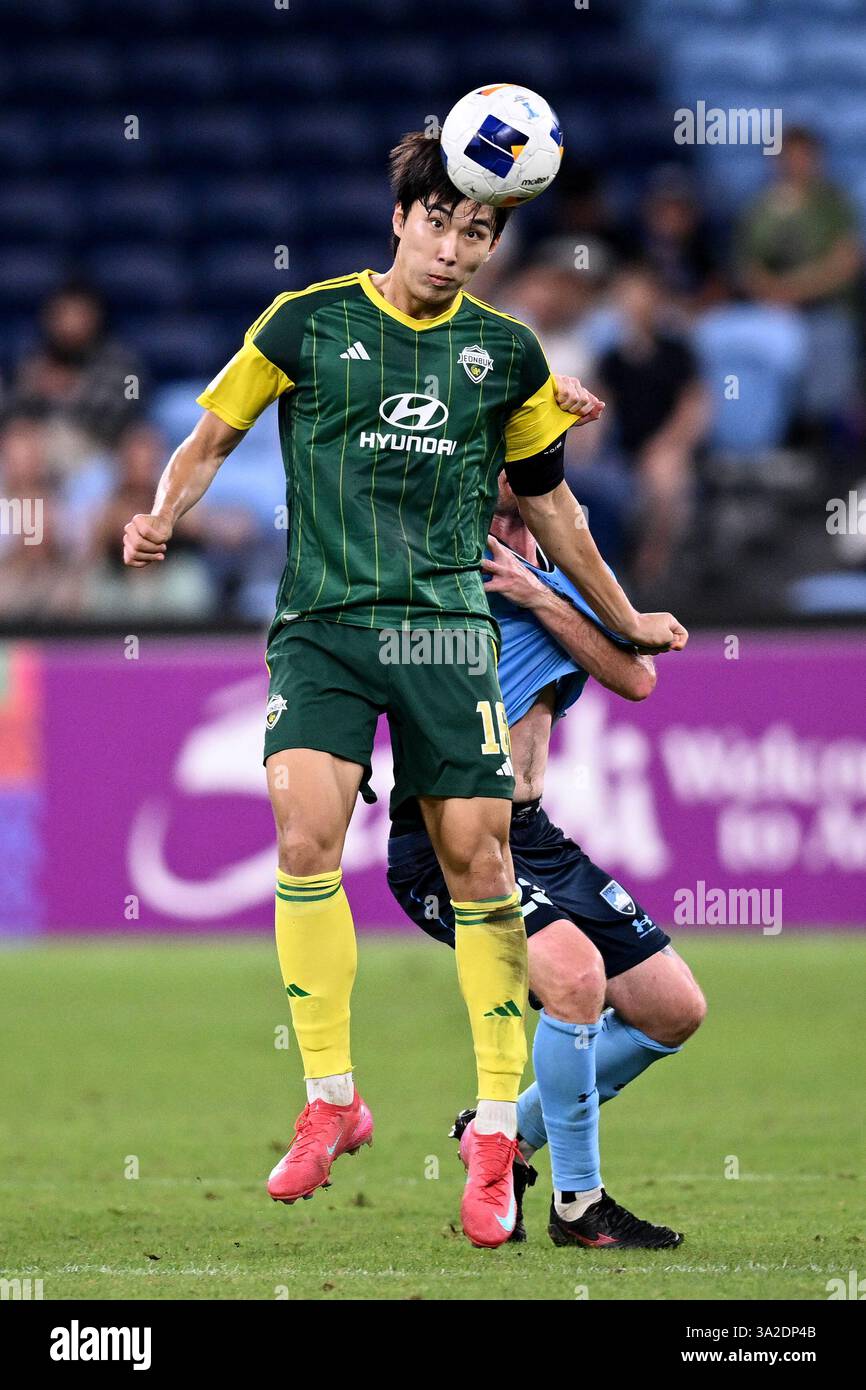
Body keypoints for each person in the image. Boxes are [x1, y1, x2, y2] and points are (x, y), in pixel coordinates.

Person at [122, 132, 687, 1249]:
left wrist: (622, 616)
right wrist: (162, 513)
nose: (452, 245)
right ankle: (331, 1098)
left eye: (476, 230)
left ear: (492, 239)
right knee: (301, 840)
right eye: (437, 221)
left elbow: (557, 510)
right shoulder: (306, 320)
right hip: (324, 626)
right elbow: (209, 436)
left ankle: (491, 1135)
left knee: (480, 860)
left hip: (441, 635)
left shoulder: (502, 352)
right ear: (400, 219)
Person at [388, 465, 705, 1248]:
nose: (517, 535)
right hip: (450, 835)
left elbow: (637, 676)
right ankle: (578, 1203)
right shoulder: (443, 571)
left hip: (533, 833)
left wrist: (540, 596)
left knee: (673, 1010)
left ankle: (499, 1134)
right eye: (502, 517)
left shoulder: (558, 571)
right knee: (575, 980)